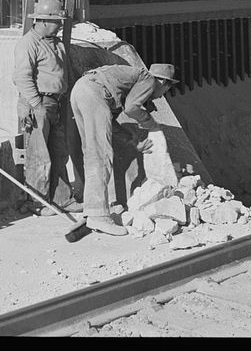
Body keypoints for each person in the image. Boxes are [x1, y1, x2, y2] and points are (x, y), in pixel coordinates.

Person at [70, 54, 179, 235]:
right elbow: (131, 108)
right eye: (165, 90)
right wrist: (150, 123)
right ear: (163, 82)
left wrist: (133, 140)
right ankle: (98, 216)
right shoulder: (148, 79)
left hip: (80, 90)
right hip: (94, 93)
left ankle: (91, 210)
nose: (160, 97)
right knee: (101, 156)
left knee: (92, 154)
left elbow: (110, 123)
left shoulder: (125, 84)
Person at [12, 0, 81, 216]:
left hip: (56, 104)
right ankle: (37, 203)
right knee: (39, 155)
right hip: (38, 104)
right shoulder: (28, 43)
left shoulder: (56, 44)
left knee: (59, 153)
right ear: (42, 21)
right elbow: (22, 78)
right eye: (56, 21)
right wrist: (36, 105)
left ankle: (62, 199)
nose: (59, 25)